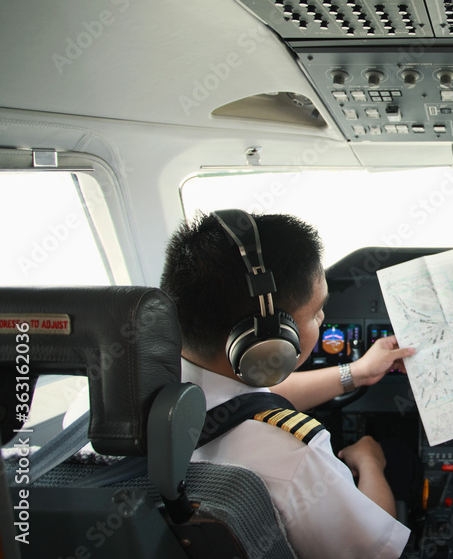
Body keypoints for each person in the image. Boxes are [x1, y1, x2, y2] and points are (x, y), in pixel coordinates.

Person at [160, 211, 415, 559]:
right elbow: (375, 554)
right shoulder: (292, 455)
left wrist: (357, 372)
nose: (323, 321)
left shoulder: (104, 405)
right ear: (270, 341)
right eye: (315, 313)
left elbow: (240, 404)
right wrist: (370, 461)